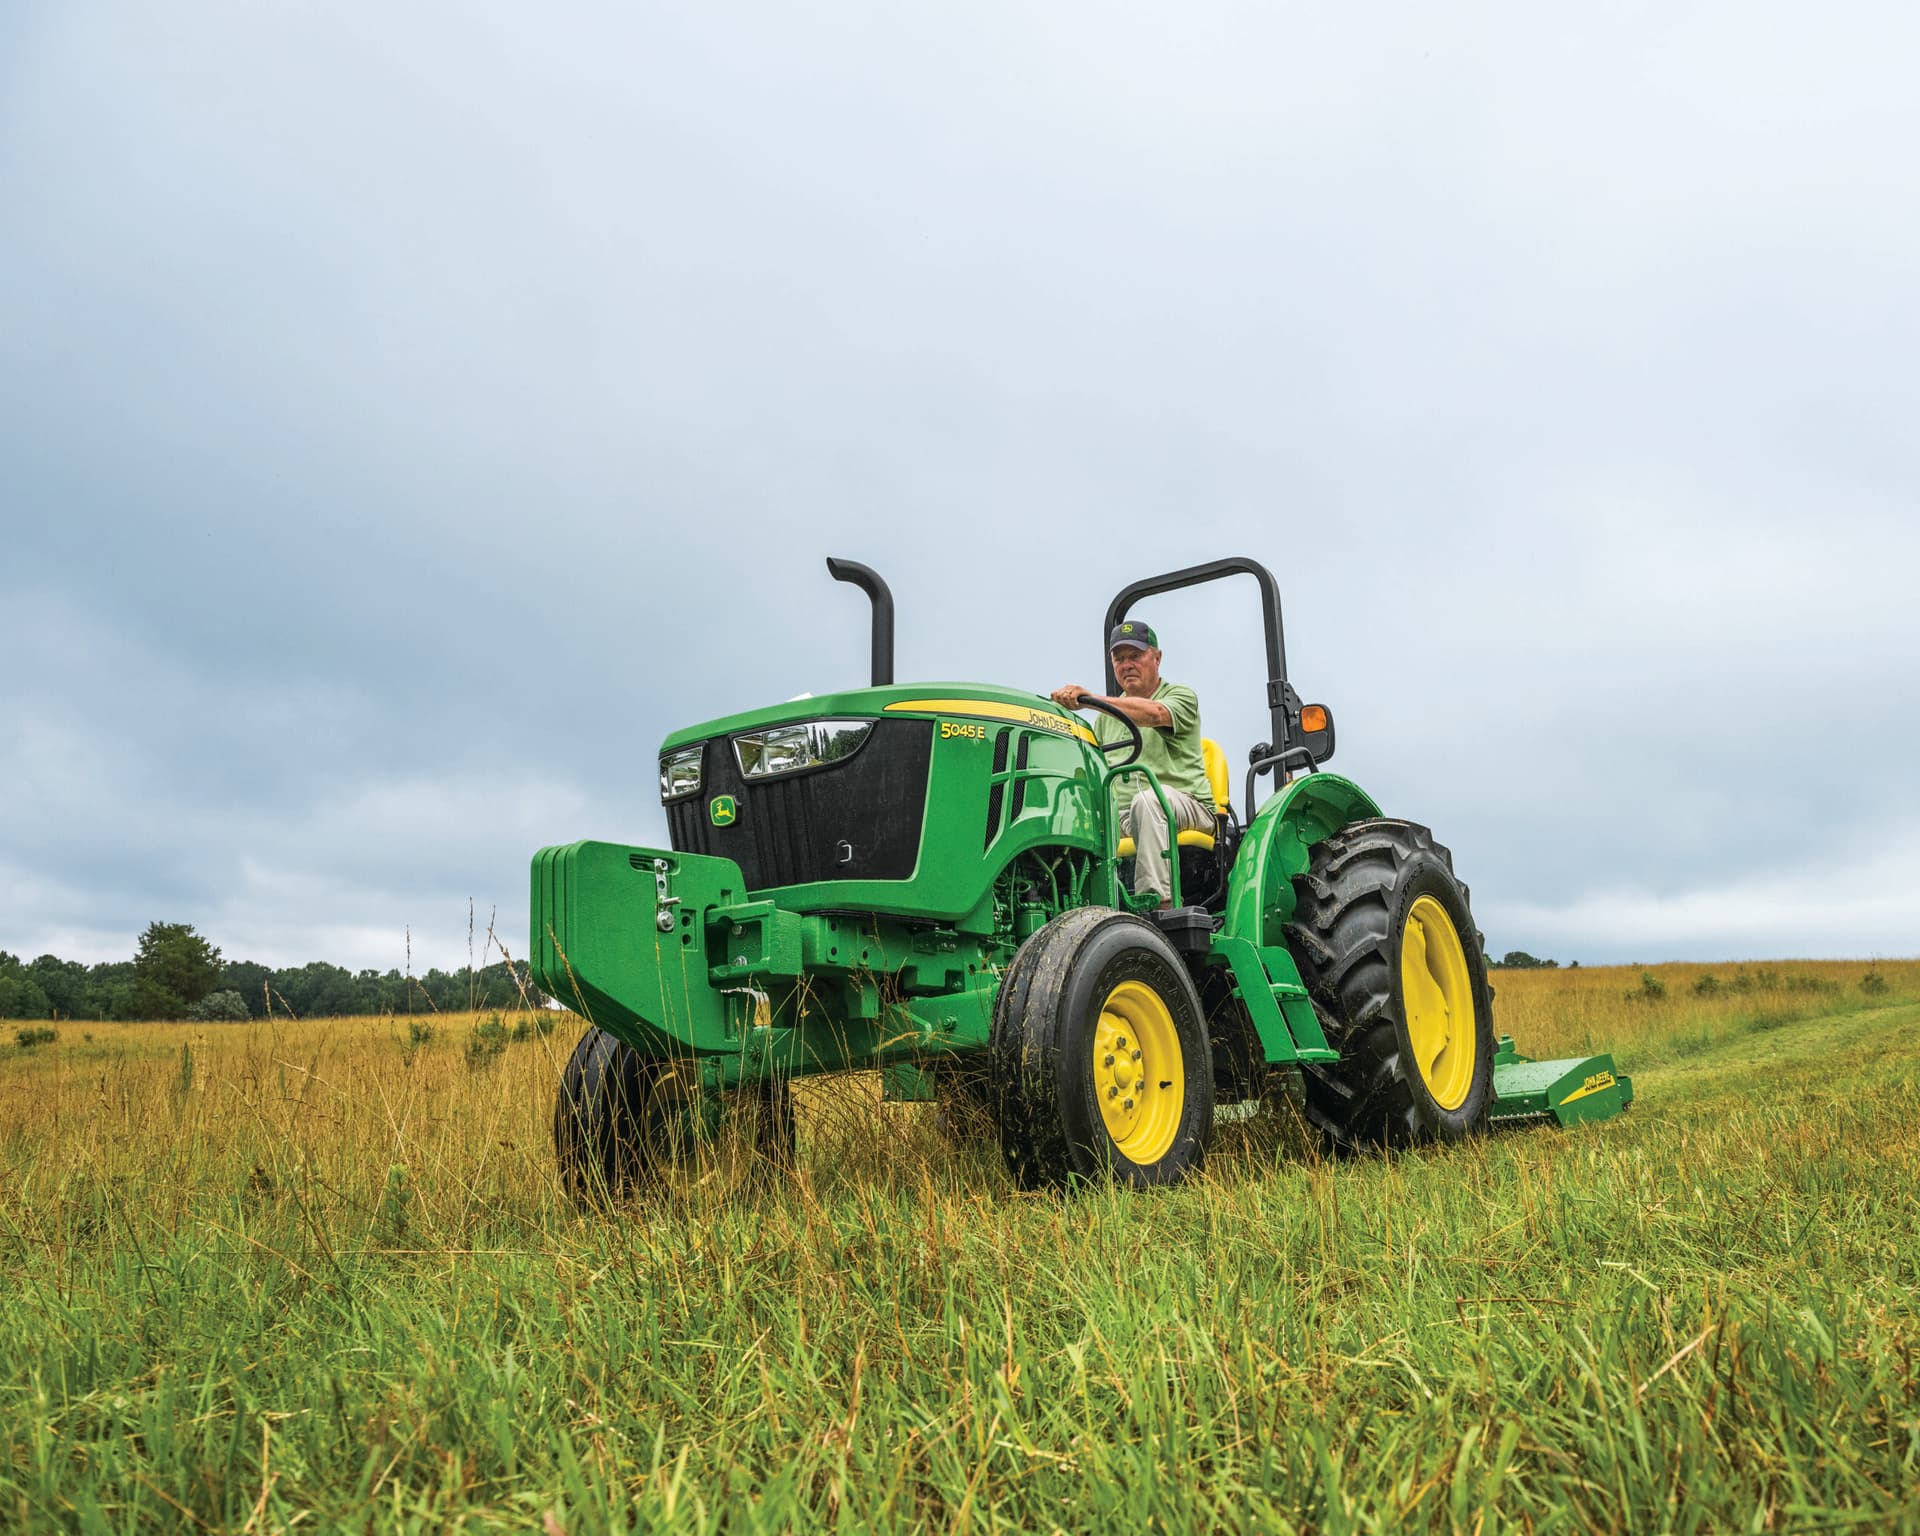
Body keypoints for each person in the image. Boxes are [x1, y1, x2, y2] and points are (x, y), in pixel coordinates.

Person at [1051, 621, 1215, 909]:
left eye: (1135, 656)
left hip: (1187, 806)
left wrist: (1091, 700)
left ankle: (1159, 907)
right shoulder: (1104, 721)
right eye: (1119, 659)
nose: (1127, 665)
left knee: (1147, 801)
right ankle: (1081, 910)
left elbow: (1154, 714)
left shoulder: (1180, 697)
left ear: (1157, 657)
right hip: (1124, 817)